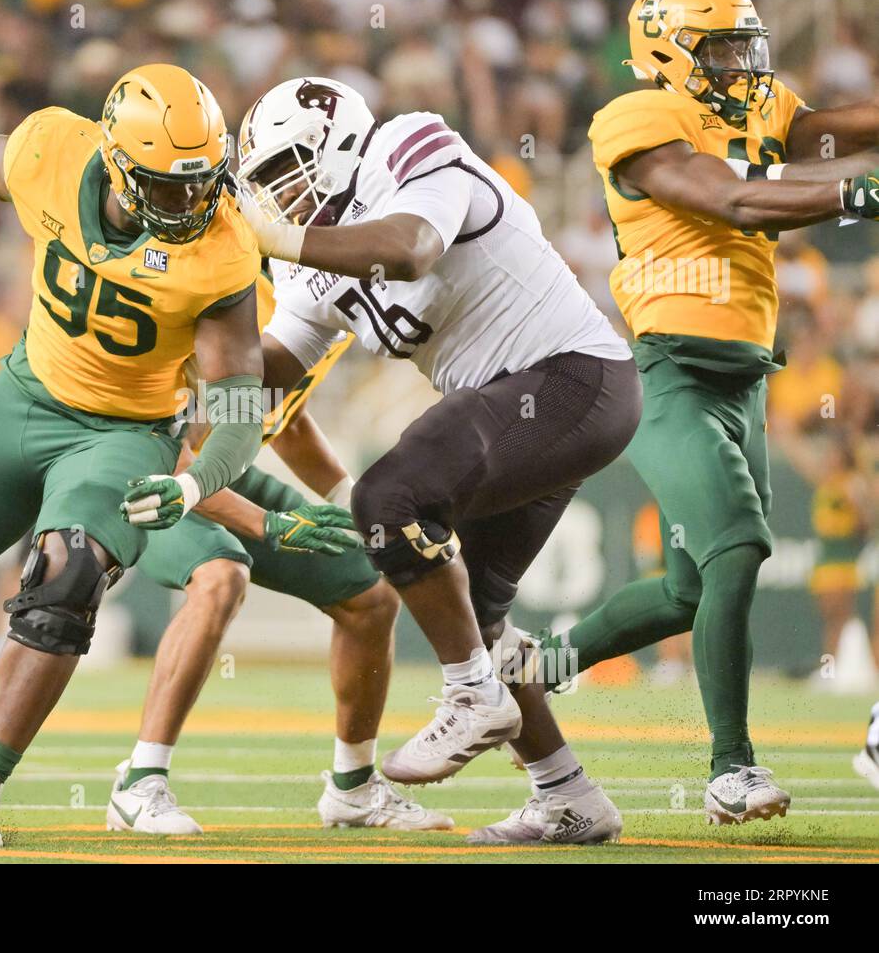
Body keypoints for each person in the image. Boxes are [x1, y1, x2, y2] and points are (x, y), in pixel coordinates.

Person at [0, 64, 268, 848]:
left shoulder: (224, 245)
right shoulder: (53, 152)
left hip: (125, 431)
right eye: (170, 187)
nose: (193, 203)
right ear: (118, 161)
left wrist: (194, 477)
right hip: (25, 395)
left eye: (203, 181)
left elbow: (241, 400)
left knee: (64, 576)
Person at [233, 75, 640, 844]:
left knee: (387, 496)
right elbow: (279, 361)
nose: (274, 196)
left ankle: (471, 694)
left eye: (284, 168)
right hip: (523, 413)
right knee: (478, 617)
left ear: (337, 143)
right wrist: (178, 349)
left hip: (574, 377)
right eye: (261, 184)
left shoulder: (405, 144)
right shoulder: (300, 255)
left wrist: (278, 238)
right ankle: (566, 794)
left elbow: (410, 249)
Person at [538, 0, 879, 825]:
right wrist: (858, 194)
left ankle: (521, 672)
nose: (740, 63)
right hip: (668, 371)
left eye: (743, 44)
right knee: (738, 548)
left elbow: (827, 133)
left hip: (745, 378)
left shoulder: (757, 110)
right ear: (665, 52)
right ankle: (732, 767)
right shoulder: (638, 118)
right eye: (719, 47)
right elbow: (735, 198)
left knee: (689, 592)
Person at [111, 272, 449, 834]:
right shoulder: (229, 281)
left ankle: (353, 787)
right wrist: (264, 524)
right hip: (152, 477)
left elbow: (282, 419)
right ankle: (139, 779)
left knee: (370, 591)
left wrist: (355, 501)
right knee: (221, 576)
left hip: (218, 476)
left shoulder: (315, 296)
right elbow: (175, 454)